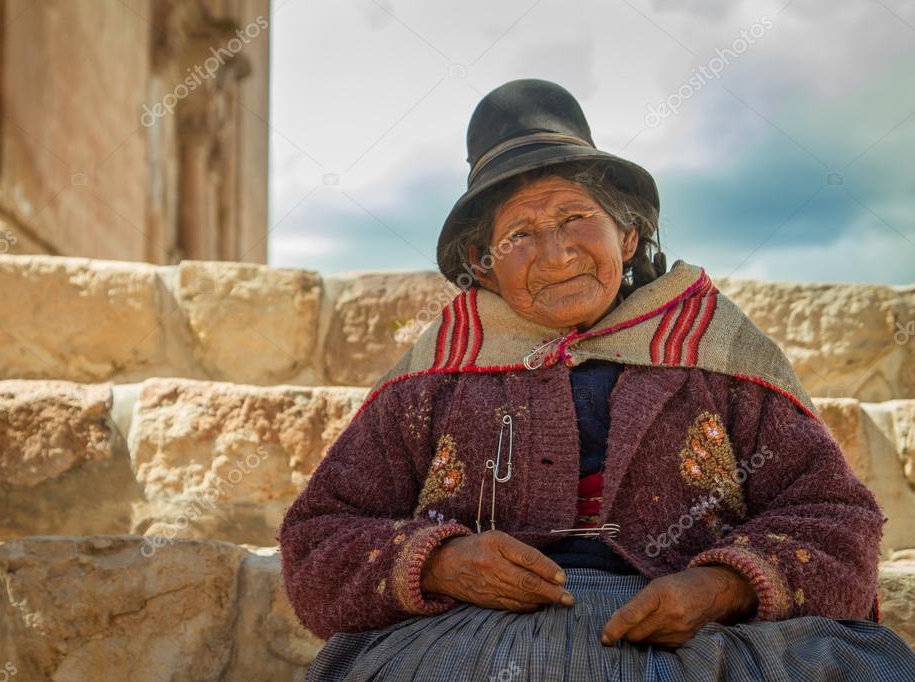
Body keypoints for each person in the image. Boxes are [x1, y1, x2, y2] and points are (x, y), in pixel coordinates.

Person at [278, 78, 915, 680]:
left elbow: (836, 517)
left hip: (696, 640)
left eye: (577, 219)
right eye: (520, 234)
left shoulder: (714, 346)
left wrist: (720, 586)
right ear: (484, 264)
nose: (557, 254)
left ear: (629, 233)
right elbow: (319, 536)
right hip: (472, 639)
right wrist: (441, 563)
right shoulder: (439, 370)